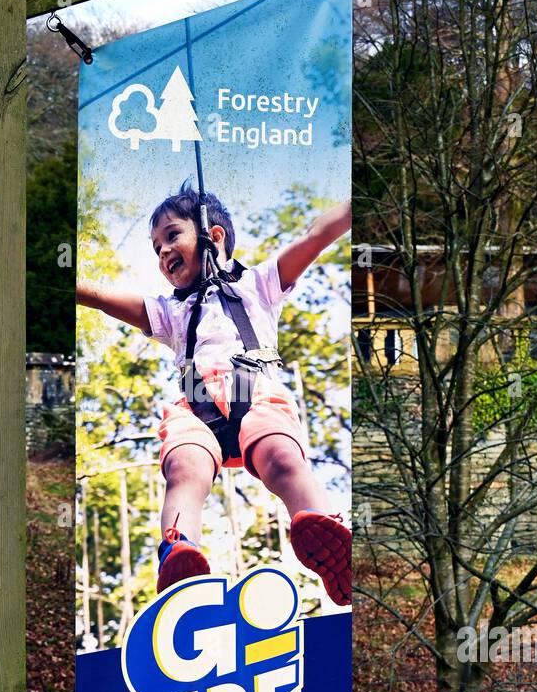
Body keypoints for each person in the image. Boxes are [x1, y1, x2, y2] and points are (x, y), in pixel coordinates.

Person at [77, 183, 351, 603]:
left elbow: (316, 235)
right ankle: (179, 547)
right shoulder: (170, 311)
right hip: (196, 404)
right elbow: (97, 298)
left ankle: (322, 526)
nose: (163, 251)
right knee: (184, 469)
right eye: (155, 248)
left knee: (280, 456)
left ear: (214, 236)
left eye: (172, 236)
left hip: (252, 388)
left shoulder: (259, 284)